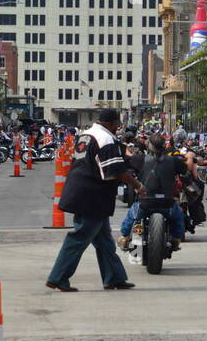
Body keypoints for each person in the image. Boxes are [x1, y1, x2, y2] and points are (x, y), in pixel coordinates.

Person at [45, 109, 145, 292]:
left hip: (83, 190)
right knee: (79, 237)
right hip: (92, 196)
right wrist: (137, 185)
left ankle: (114, 277)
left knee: (104, 241)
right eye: (117, 124)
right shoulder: (105, 139)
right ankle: (58, 277)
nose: (118, 128)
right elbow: (115, 170)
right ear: (111, 123)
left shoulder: (87, 135)